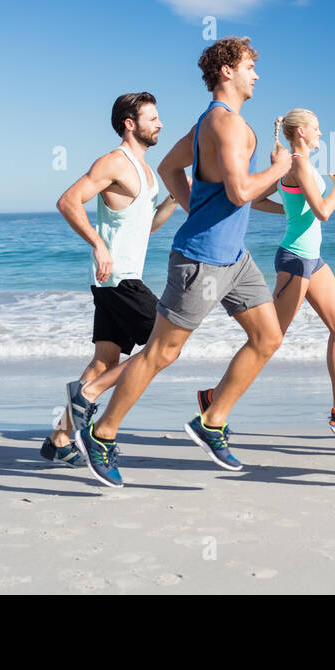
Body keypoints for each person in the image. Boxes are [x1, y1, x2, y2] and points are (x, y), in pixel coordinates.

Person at [73, 37, 290, 486]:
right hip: (200, 260)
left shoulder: (223, 125)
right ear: (226, 71)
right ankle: (102, 433)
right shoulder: (222, 124)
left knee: (268, 338)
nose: (257, 74)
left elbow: (171, 170)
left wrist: (200, 209)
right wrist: (281, 168)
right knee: (161, 353)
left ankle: (211, 421)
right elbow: (240, 192)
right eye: (250, 65)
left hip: (235, 258)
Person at [200, 109, 335, 455]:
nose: (322, 133)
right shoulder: (297, 164)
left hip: (312, 260)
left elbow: (265, 201)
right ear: (302, 132)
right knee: (268, 340)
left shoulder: (292, 163)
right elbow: (323, 211)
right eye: (318, 129)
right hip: (294, 260)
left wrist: (292, 210)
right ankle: (214, 400)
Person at [40, 92, 180, 465]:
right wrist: (99, 244)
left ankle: (59, 439)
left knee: (104, 361)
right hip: (118, 279)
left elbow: (145, 228)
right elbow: (68, 201)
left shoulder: (145, 173)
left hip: (116, 280)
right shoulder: (114, 162)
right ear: (130, 124)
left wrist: (173, 201)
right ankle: (96, 416)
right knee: (166, 344)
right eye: (152, 118)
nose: (160, 123)